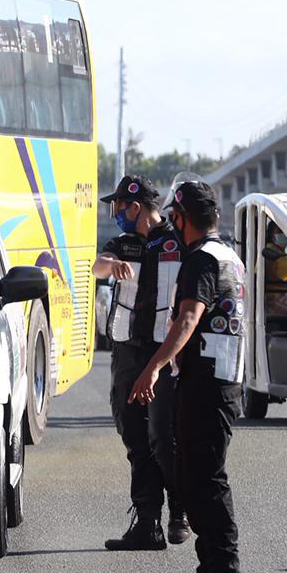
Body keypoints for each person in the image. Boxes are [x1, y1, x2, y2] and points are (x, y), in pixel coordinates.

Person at [129, 181, 245, 573]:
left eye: (174, 219)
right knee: (195, 477)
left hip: (209, 385)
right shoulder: (228, 253)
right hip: (217, 380)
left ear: (180, 218)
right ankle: (209, 568)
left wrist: (154, 367)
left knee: (206, 479)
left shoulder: (199, 260)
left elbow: (188, 318)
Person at [94, 175, 188, 552]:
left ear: (135, 206)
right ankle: (147, 521)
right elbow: (98, 266)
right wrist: (111, 264)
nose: (116, 213)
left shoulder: (178, 242)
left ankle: (179, 510)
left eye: (119, 206)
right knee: (134, 435)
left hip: (166, 355)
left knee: (166, 437)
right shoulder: (123, 243)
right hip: (127, 352)